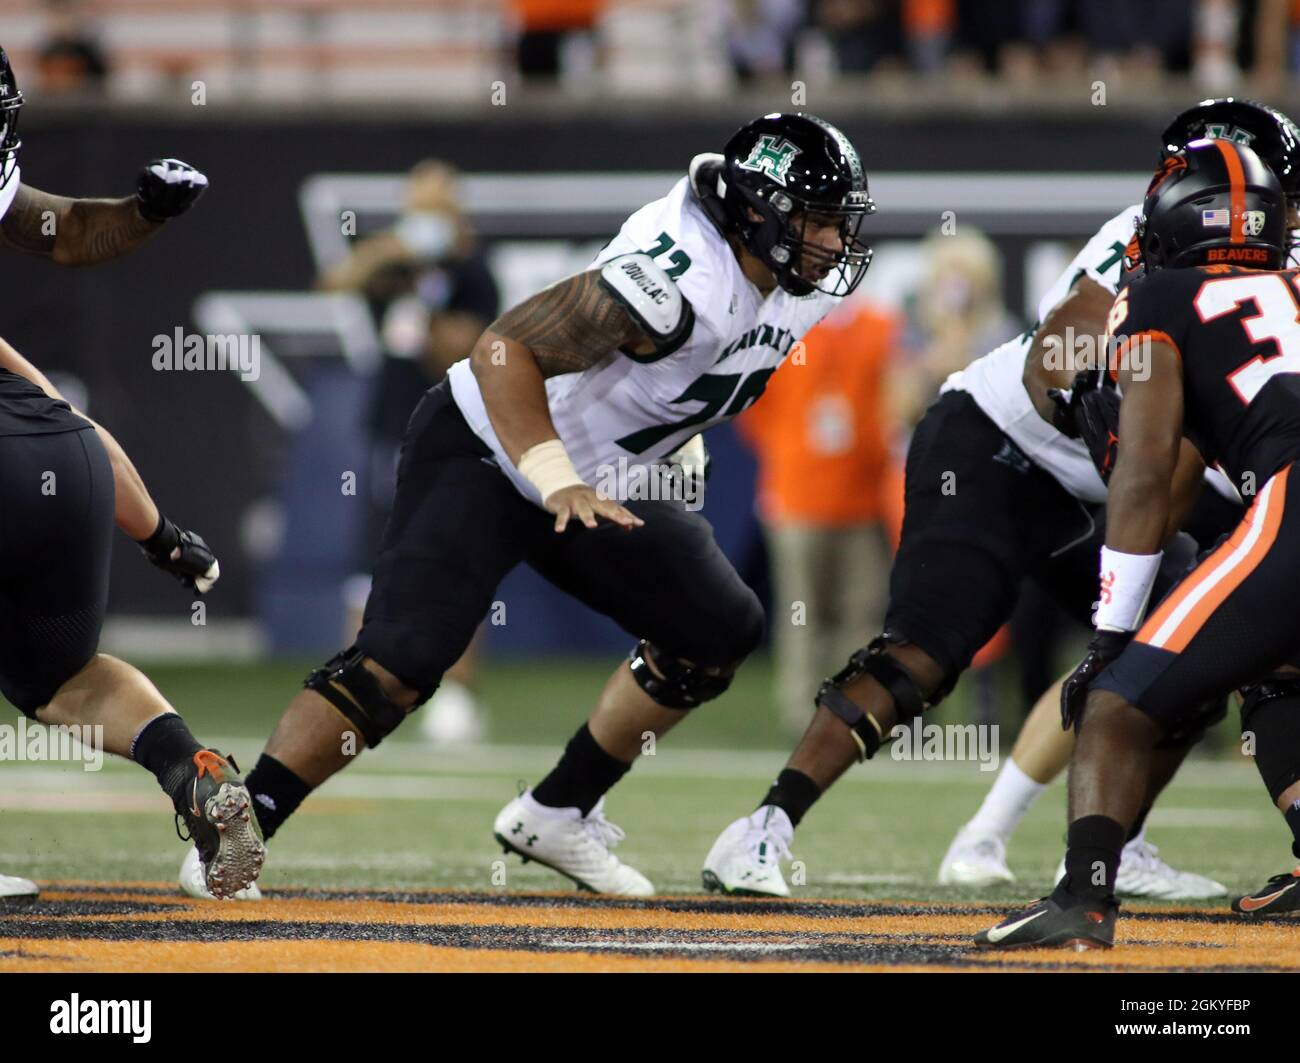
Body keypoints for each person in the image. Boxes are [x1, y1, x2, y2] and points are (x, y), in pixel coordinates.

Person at [178, 113, 876, 897]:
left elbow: (692, 380)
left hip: (598, 471)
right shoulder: (679, 280)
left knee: (718, 626)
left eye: (837, 224)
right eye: (817, 222)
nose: (833, 244)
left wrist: (674, 440)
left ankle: (559, 810)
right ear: (758, 212)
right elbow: (503, 350)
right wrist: (555, 478)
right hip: (487, 443)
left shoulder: (791, 288)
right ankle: (236, 831)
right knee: (400, 663)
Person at [699, 98, 1289, 899]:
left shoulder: (1264, 254)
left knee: (1180, 653)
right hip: (996, 442)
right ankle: (763, 828)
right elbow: (1063, 346)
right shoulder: (1156, 234)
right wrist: (1116, 413)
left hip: (1107, 485)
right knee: (924, 653)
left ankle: (1117, 845)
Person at [940, 98, 1300, 900]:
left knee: (1122, 685)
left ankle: (1079, 895)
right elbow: (1060, 358)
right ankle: (994, 832)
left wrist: (1110, 629)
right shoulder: (1257, 268)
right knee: (1274, 669)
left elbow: (1140, 469)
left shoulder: (1159, 282)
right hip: (1235, 468)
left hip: (1263, 483)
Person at [0, 47, 263, 903]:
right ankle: (187, 765)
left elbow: (61, 229)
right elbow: (60, 412)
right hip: (60, 452)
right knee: (64, 681)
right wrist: (164, 537)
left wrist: (141, 212)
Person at [323, 160, 499, 745]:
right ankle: (355, 684)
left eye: (436, 207)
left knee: (455, 556)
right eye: (416, 207)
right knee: (370, 558)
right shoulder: (394, 267)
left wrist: (430, 303)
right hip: (391, 429)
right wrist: (395, 252)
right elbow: (337, 283)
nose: (426, 218)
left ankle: (458, 694)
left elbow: (464, 345)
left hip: (452, 430)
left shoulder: (472, 271)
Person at [737, 297, 900, 734]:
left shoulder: (880, 326)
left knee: (862, 614)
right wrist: (789, 454)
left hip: (861, 498)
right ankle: (803, 716)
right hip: (796, 498)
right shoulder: (784, 326)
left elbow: (894, 398)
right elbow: (754, 406)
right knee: (801, 615)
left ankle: (857, 710)